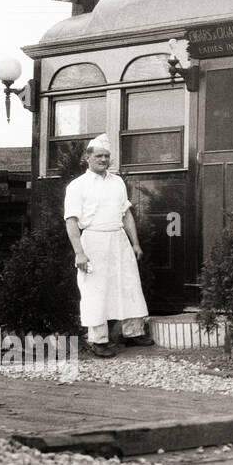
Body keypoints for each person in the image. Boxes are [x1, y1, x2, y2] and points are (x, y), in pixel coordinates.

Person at [63, 134, 152, 358]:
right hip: (93, 241)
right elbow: (71, 221)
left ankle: (133, 332)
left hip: (119, 239)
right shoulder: (77, 186)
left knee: (129, 285)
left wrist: (136, 243)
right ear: (88, 157)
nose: (104, 160)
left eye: (107, 156)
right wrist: (79, 253)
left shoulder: (117, 182)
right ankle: (98, 340)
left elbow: (126, 214)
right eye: (99, 156)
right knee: (95, 290)